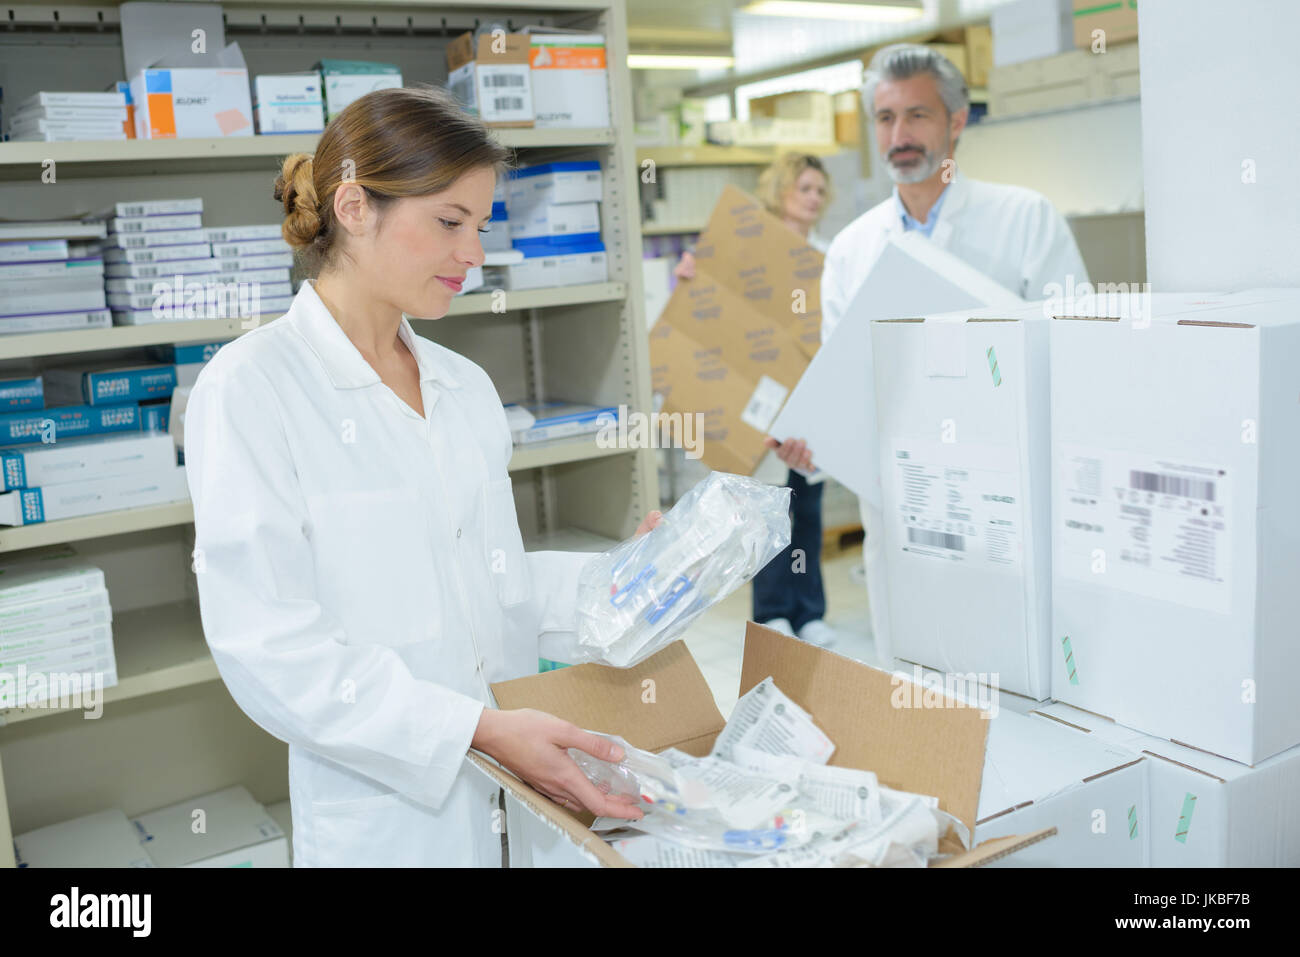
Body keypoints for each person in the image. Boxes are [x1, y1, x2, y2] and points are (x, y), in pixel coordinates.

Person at [183, 86, 653, 868]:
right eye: (449, 222)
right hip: (389, 825)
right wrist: (474, 729)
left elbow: (490, 585)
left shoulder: (462, 385)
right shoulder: (250, 387)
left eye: (480, 226)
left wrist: (629, 582)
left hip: (520, 805)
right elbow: (270, 649)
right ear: (355, 207)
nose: (473, 254)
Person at [767, 44, 1089, 666]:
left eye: (917, 115)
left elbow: (1076, 357)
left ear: (957, 121)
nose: (899, 135)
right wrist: (811, 444)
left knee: (1015, 672)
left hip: (1008, 499)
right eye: (886, 119)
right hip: (899, 505)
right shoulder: (854, 248)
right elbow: (846, 382)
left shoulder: (1024, 219)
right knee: (916, 676)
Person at [673, 153, 838, 648]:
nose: (813, 198)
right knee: (767, 511)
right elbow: (717, 306)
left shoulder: (829, 256)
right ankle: (772, 612)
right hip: (759, 395)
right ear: (782, 190)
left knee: (807, 507)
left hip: (809, 395)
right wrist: (689, 275)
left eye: (819, 191)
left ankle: (809, 611)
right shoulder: (750, 248)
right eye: (804, 188)